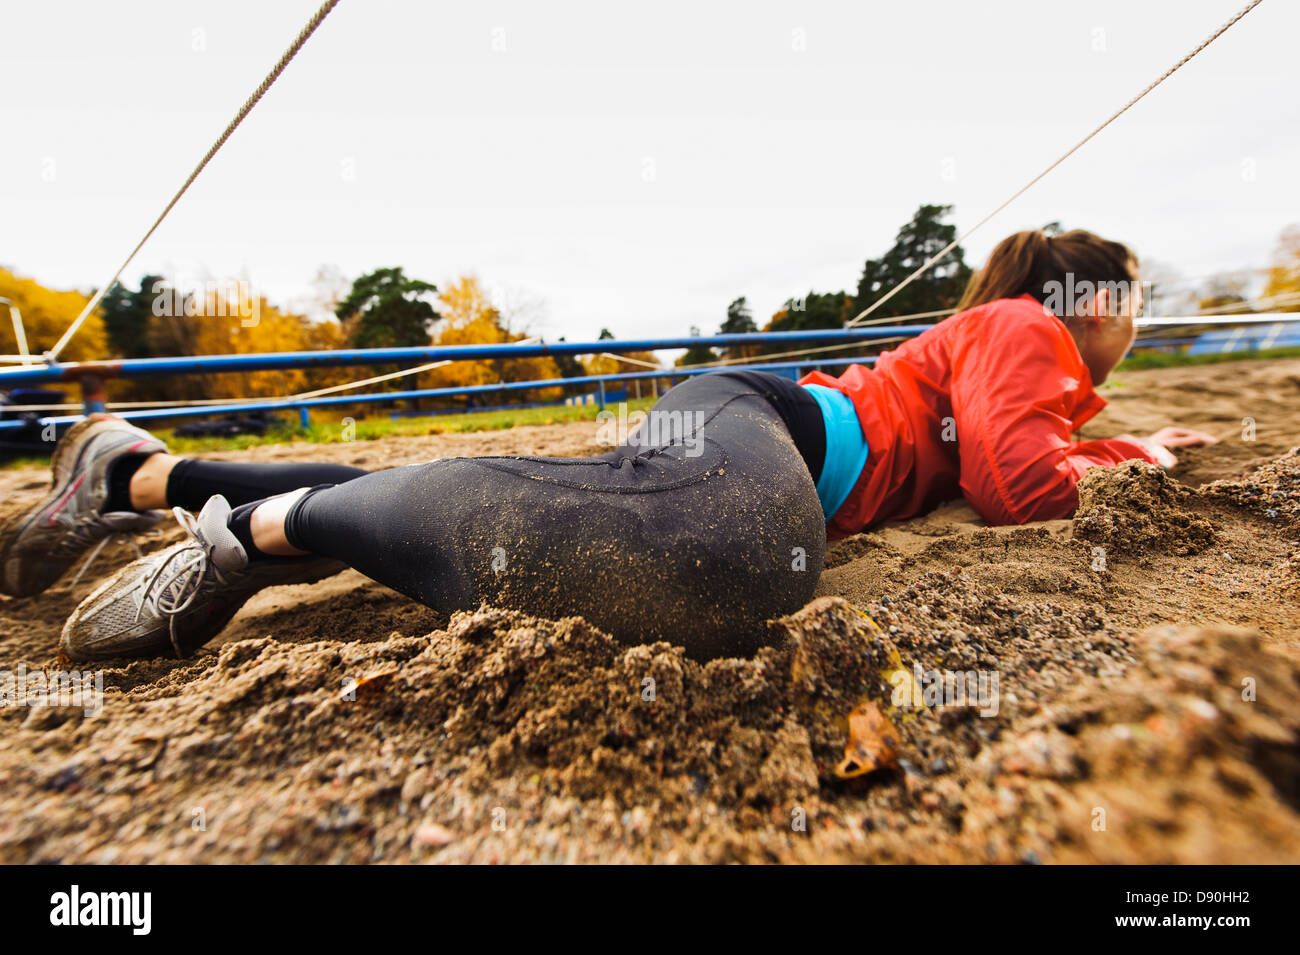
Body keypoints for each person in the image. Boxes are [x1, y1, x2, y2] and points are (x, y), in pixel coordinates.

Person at [0, 228, 1216, 662]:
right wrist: (1138, 460)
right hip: (764, 425)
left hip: (738, 423)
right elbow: (1016, 477)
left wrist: (1119, 447)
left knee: (517, 497)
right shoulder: (1027, 327)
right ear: (1091, 299)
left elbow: (1009, 450)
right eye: (1133, 303)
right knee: (735, 557)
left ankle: (132, 471)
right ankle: (262, 531)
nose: (1131, 328)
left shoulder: (1009, 346)